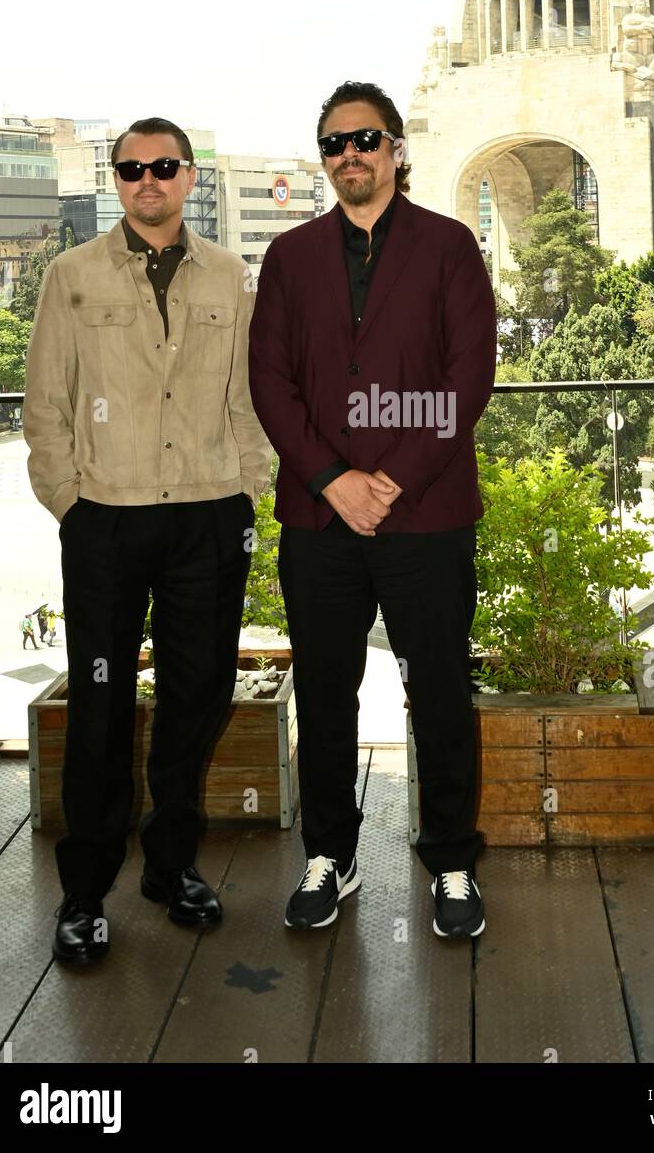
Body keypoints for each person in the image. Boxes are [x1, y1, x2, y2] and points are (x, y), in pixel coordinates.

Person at [249, 81, 497, 940]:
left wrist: (386, 481)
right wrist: (331, 480)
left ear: (394, 147)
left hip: (424, 517)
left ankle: (454, 861)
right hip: (318, 522)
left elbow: (468, 381)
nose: (348, 155)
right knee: (324, 694)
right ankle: (331, 856)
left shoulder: (450, 246)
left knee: (437, 691)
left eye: (364, 139)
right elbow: (270, 385)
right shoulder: (288, 258)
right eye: (332, 144)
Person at [23, 116, 272, 966]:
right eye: (129, 169)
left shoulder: (234, 277)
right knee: (98, 710)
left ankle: (172, 868)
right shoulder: (72, 276)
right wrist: (70, 503)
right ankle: (85, 892)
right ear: (116, 179)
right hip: (106, 520)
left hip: (207, 517)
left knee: (194, 700)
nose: (146, 180)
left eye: (162, 166)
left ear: (188, 176)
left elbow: (249, 402)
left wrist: (250, 492)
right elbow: (46, 404)